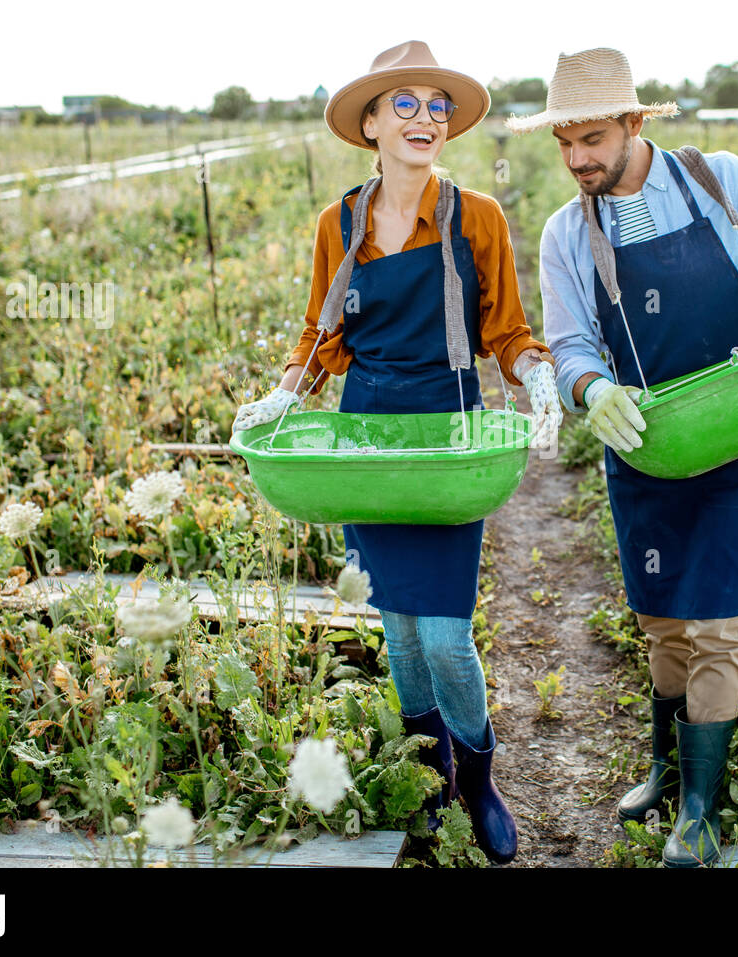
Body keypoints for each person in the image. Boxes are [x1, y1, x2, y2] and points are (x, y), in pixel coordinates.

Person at [507, 47, 738, 867]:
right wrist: (590, 389)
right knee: (662, 619)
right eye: (563, 144)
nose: (577, 160)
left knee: (717, 626)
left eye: (592, 138)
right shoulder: (569, 232)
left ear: (636, 124)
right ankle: (668, 769)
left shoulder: (719, 182)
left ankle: (700, 810)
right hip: (649, 444)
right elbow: (569, 345)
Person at [234, 40, 562, 865]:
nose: (425, 118)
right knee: (401, 634)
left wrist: (540, 379)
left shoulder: (476, 216)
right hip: (368, 437)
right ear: (371, 124)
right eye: (405, 104)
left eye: (436, 105)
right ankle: (431, 779)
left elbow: (509, 333)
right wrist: (284, 394)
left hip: (447, 438)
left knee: (446, 635)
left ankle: (480, 782)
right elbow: (319, 341)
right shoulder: (338, 225)